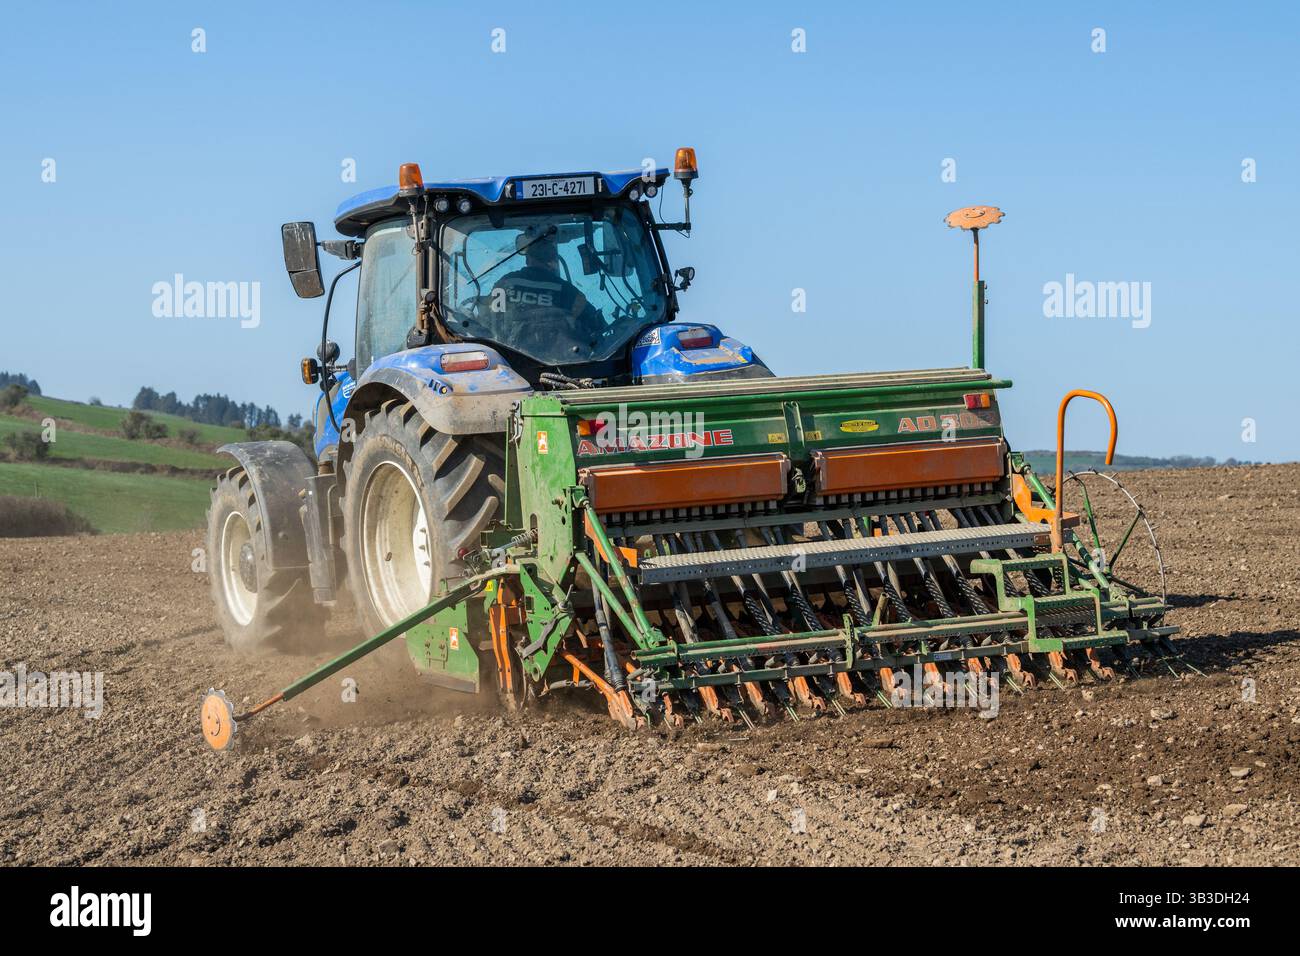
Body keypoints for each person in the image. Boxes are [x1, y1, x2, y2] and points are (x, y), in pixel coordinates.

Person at [489, 226, 601, 350]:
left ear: (527, 259)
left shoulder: (504, 283)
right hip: (561, 362)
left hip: (509, 357)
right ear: (553, 260)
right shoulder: (568, 291)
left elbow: (488, 320)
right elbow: (595, 325)